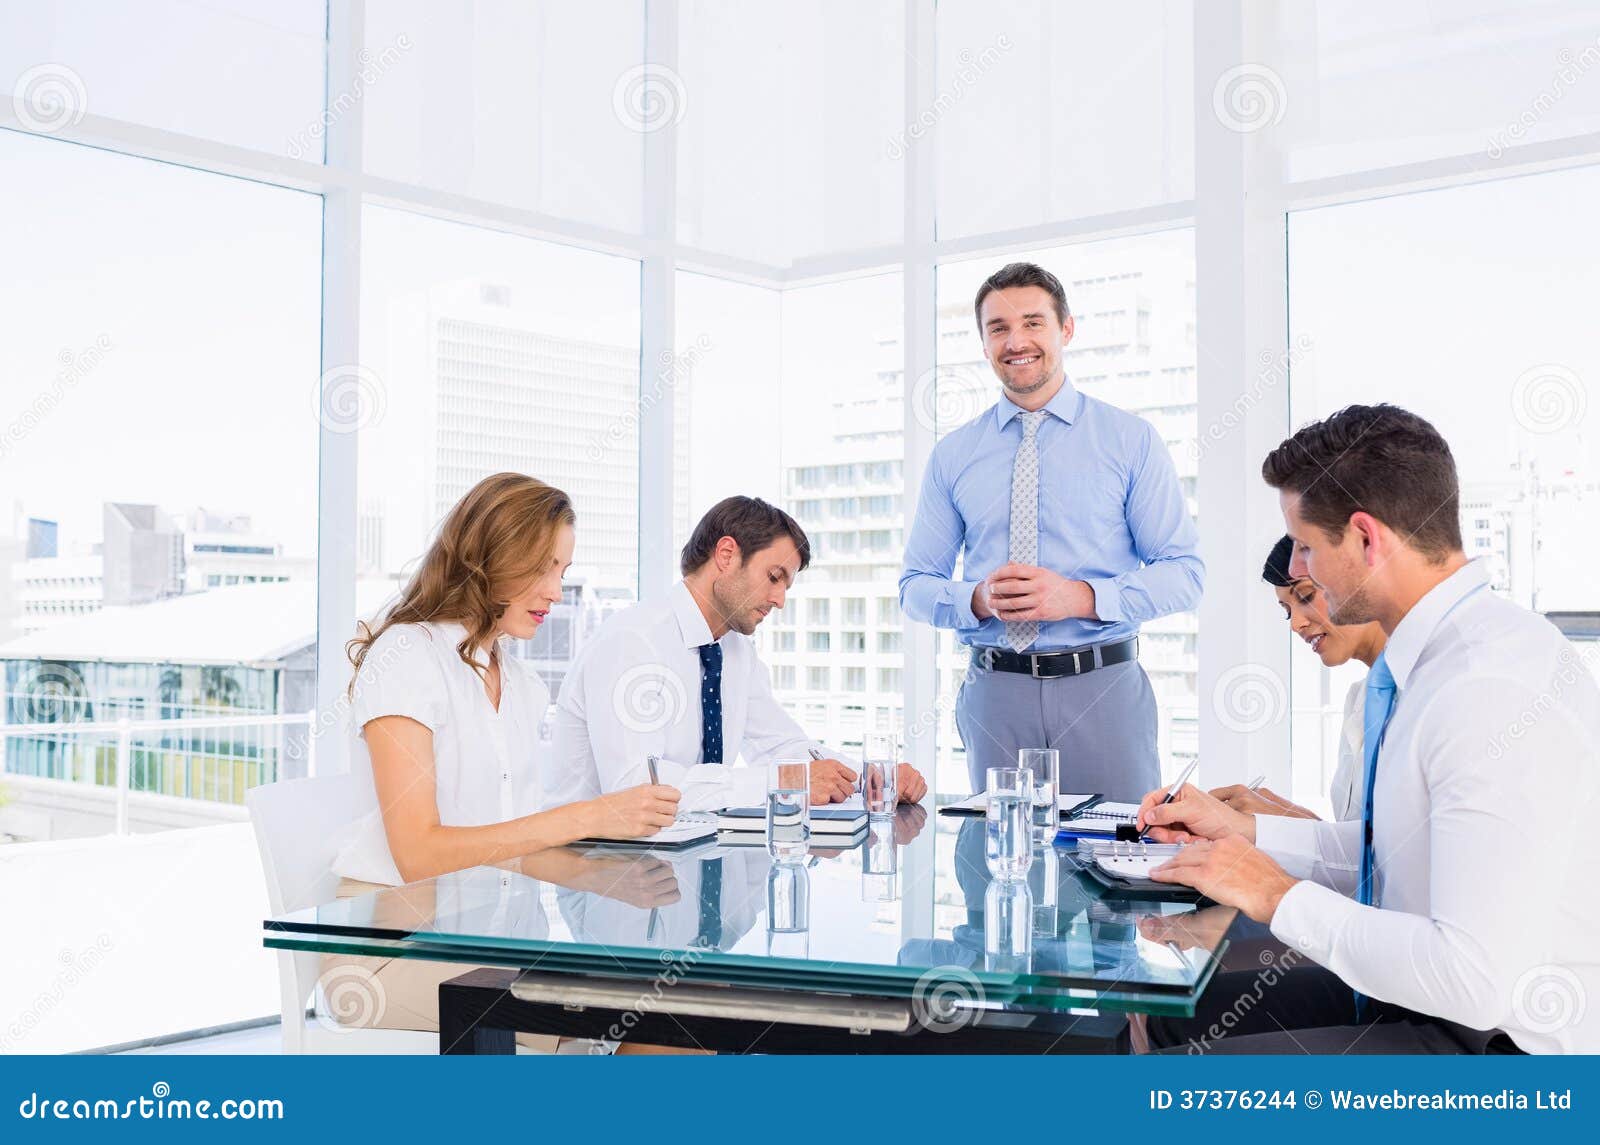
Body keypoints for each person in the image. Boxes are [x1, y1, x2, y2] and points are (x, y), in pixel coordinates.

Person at [1135, 404, 1600, 1054]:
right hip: (1425, 997)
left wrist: (1275, 892)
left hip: (1500, 1045)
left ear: (1364, 538)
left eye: (1305, 546)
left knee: (1167, 1084)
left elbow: (1472, 979)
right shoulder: (1437, 657)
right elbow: (1396, 855)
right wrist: (1244, 833)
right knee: (1173, 1008)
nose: (1300, 567)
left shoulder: (1484, 687)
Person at [899, 262, 1203, 798]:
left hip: (1103, 690)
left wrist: (1079, 598)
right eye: (998, 328)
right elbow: (915, 586)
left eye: (1033, 323)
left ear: (1066, 328)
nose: (1016, 341)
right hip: (995, 692)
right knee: (1001, 847)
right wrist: (977, 599)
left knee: (1117, 847)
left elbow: (1184, 575)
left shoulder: (1131, 440)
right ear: (984, 344)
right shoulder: (953, 455)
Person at [333, 472, 680, 887]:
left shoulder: (522, 684)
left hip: (484, 913)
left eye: (562, 573)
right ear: (488, 558)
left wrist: (608, 881)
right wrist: (588, 816)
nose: (556, 592)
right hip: (398, 917)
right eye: (543, 569)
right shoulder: (407, 656)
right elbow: (418, 857)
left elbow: (513, 845)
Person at [547, 496, 928, 814]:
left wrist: (873, 778)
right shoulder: (634, 640)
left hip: (686, 851)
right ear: (727, 555)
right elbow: (635, 786)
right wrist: (783, 781)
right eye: (774, 577)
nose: (779, 600)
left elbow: (779, 745)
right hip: (599, 864)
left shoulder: (735, 650)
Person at [1208, 535, 1386, 821]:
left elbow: (1393, 846)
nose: (1296, 624)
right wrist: (1282, 817)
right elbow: (1361, 838)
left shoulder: (1424, 692)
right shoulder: (1360, 698)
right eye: (1287, 611)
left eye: (1305, 597)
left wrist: (1283, 824)